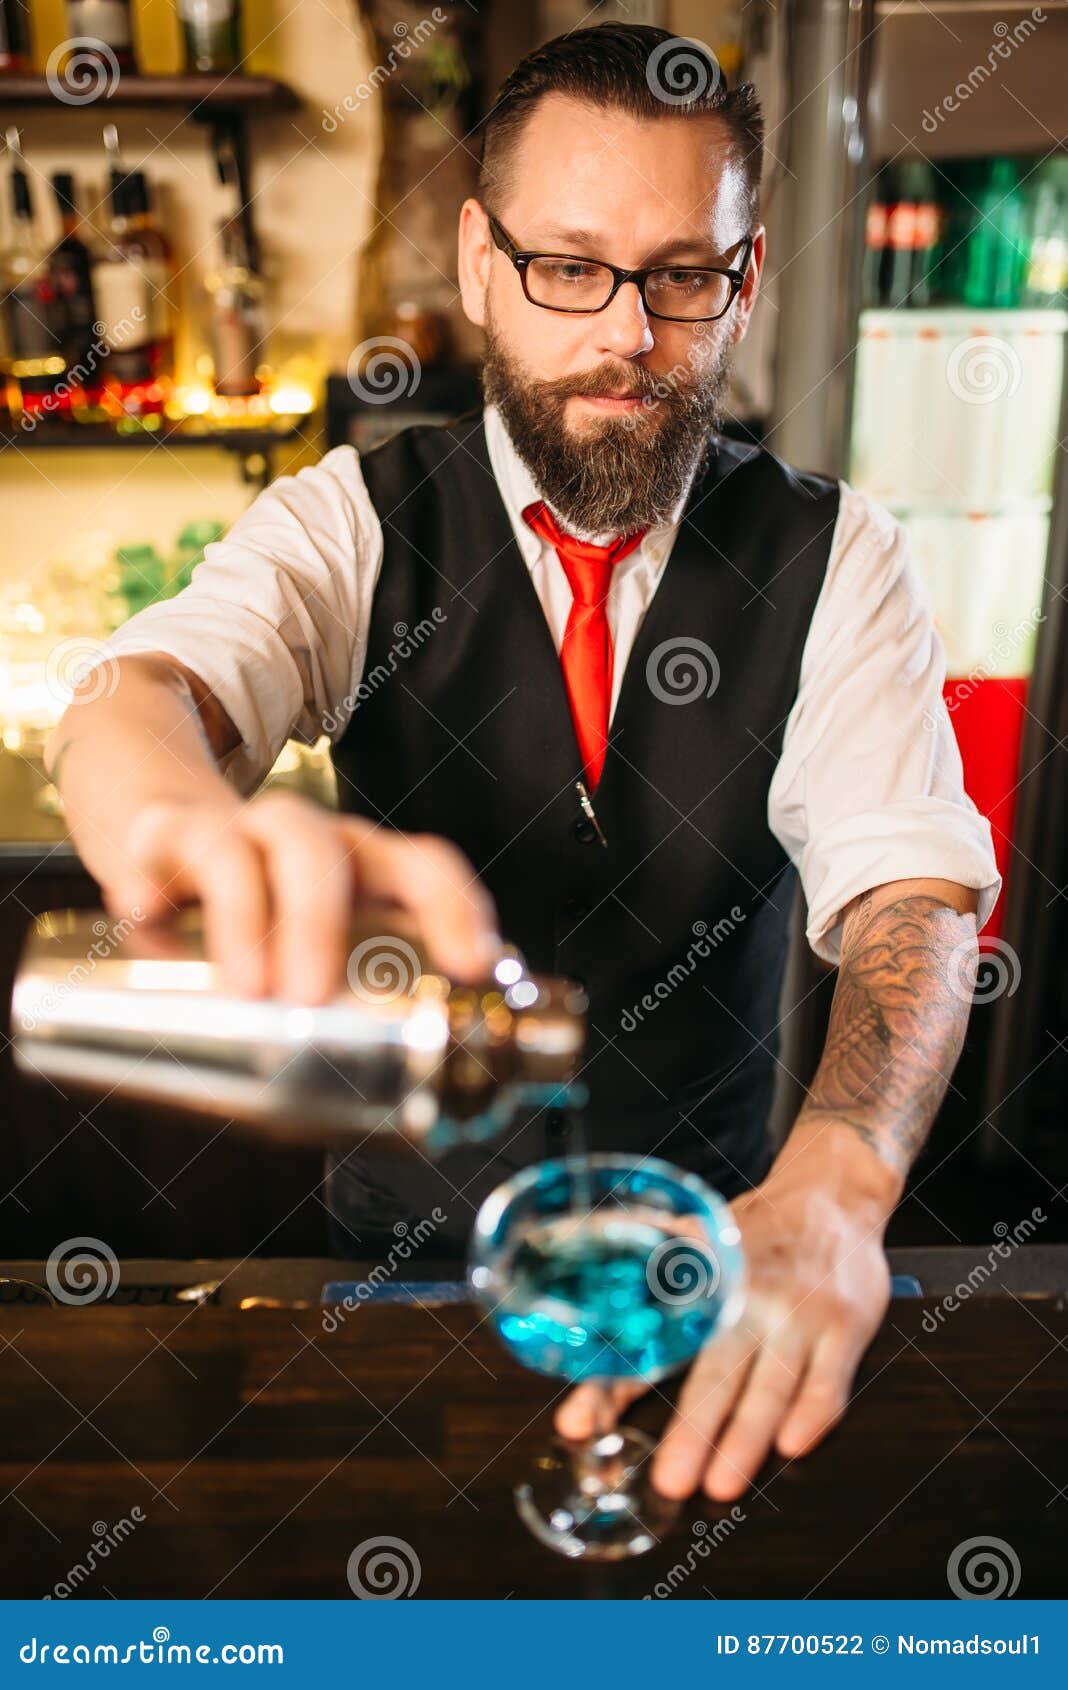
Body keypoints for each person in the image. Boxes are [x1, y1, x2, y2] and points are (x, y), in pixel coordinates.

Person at [48, 23, 1000, 1504]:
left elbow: (914, 907)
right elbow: (139, 698)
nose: (627, 332)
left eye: (683, 273)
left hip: (700, 1269)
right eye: (571, 266)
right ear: (484, 261)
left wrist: (840, 1178)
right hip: (400, 1276)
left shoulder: (836, 555)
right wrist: (182, 825)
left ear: (741, 283)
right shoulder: (354, 523)